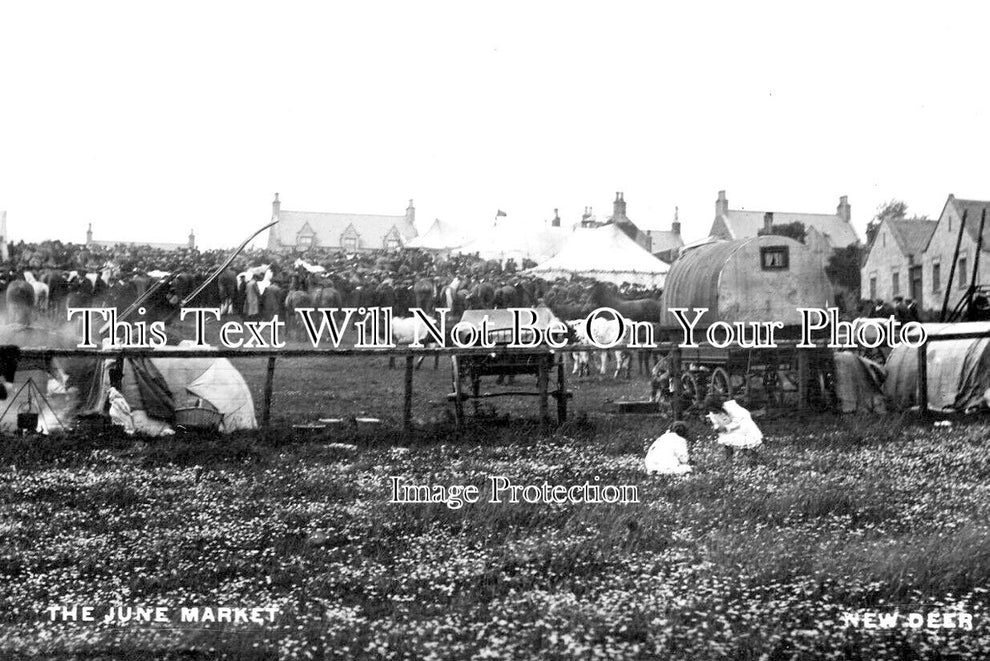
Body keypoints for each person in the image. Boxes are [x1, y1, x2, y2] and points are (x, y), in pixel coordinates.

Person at [704, 393, 763, 461]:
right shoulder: (712, 413)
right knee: (727, 442)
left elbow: (738, 421)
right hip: (727, 427)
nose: (713, 412)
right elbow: (715, 422)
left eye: (714, 410)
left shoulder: (731, 407)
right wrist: (717, 428)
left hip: (742, 426)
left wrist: (727, 427)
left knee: (742, 446)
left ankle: (757, 459)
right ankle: (729, 459)